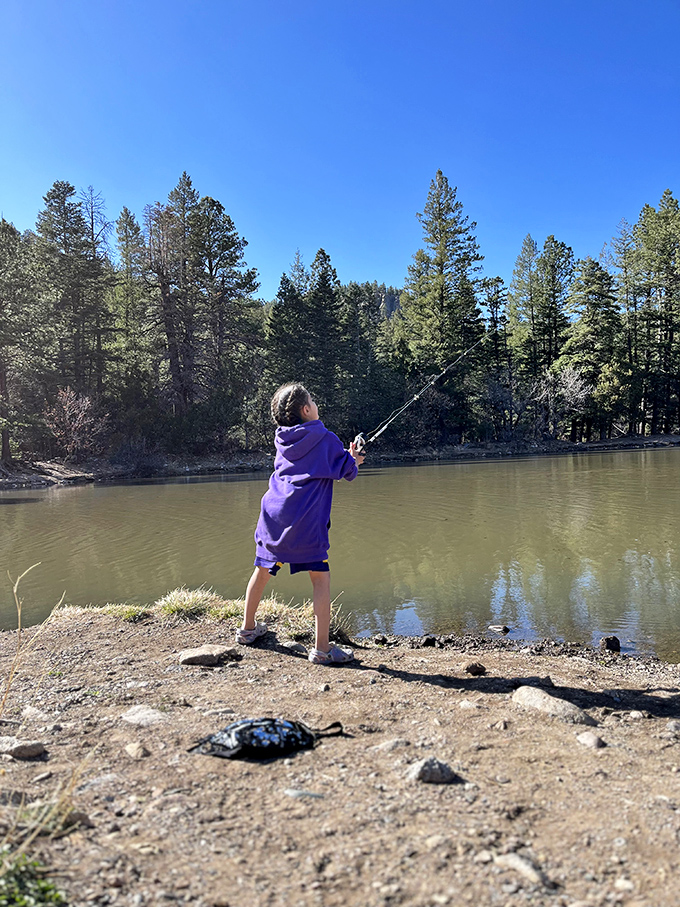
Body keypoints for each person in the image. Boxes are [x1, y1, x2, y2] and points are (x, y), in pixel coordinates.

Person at [236, 383, 365, 664]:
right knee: (320, 580)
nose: (316, 405)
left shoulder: (282, 439)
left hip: (273, 515)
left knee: (262, 570)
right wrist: (353, 459)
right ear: (306, 409)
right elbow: (346, 471)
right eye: (313, 401)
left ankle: (247, 630)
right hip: (305, 523)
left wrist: (346, 458)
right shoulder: (325, 437)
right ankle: (322, 649)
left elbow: (312, 460)